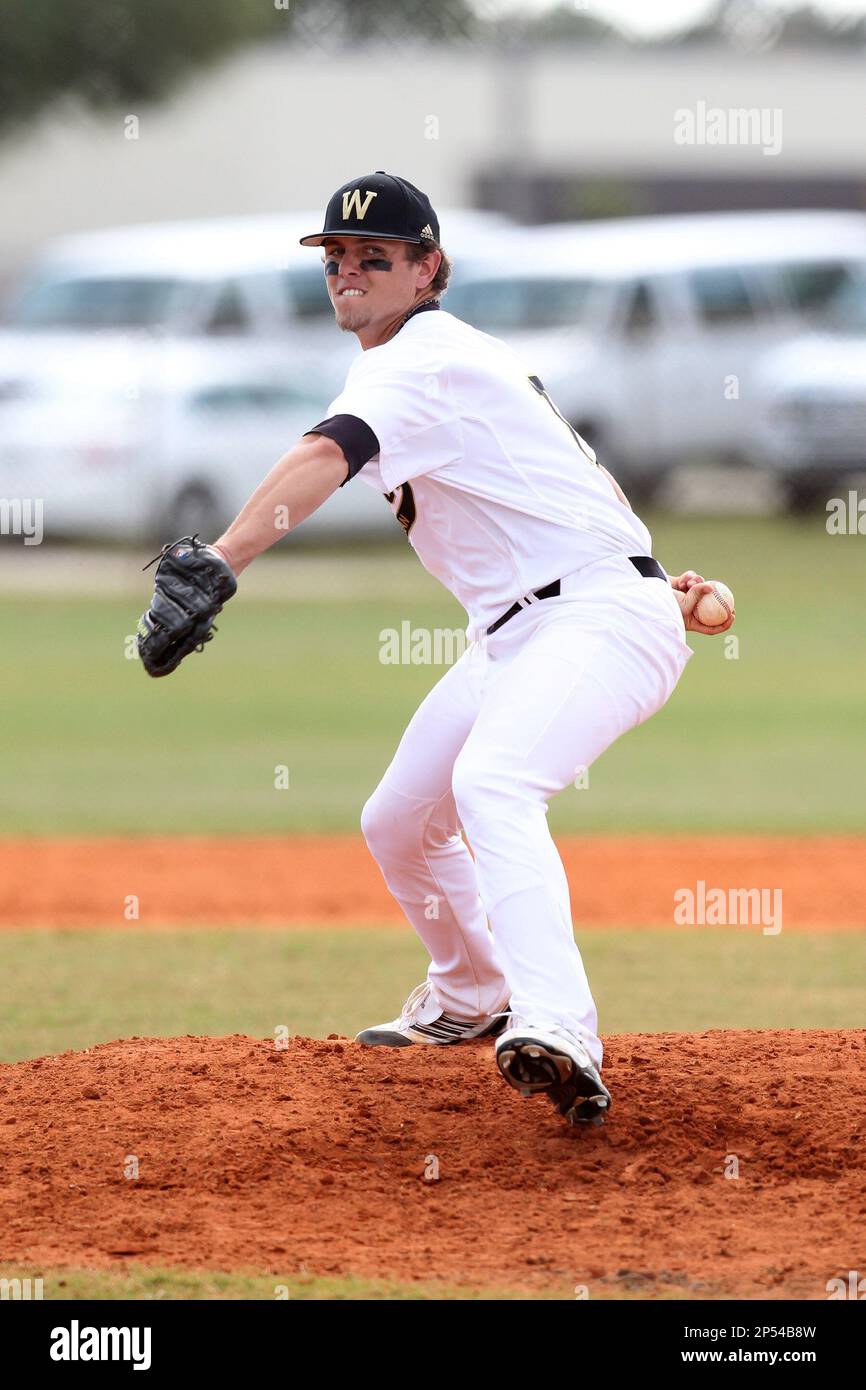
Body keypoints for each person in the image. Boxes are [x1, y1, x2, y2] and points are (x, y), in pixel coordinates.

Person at [204, 171, 734, 1126]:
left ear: (428, 269)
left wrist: (220, 559)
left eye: (376, 256)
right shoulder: (414, 360)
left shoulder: (423, 358)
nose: (350, 272)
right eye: (336, 257)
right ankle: (472, 992)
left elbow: (325, 457)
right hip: (527, 627)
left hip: (592, 619)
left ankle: (562, 1027)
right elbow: (563, 483)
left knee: (494, 783)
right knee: (398, 821)